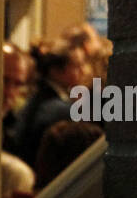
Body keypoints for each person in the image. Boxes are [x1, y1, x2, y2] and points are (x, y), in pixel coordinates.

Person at [10, 37, 90, 170]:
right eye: (77, 65)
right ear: (56, 71)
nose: (83, 71)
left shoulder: (38, 98)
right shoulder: (61, 110)